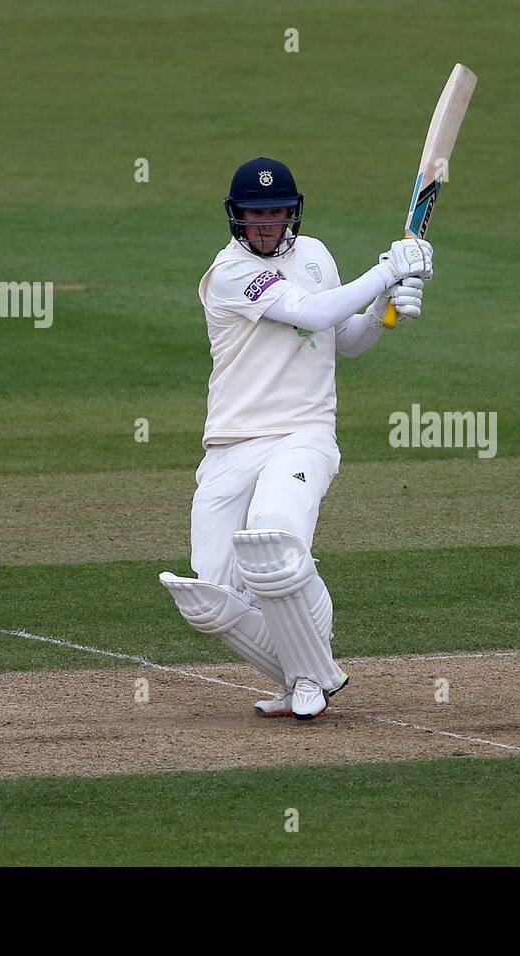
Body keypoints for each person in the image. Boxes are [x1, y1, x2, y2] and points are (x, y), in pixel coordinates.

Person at [159, 156, 432, 720]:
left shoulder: (316, 257)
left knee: (274, 545)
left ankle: (312, 678)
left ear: (292, 212)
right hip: (231, 444)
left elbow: (346, 338)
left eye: (276, 213)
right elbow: (309, 313)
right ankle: (304, 675)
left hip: (303, 434)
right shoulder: (229, 273)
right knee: (213, 599)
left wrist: (386, 313)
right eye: (255, 215)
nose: (266, 225)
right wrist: (384, 274)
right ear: (236, 218)